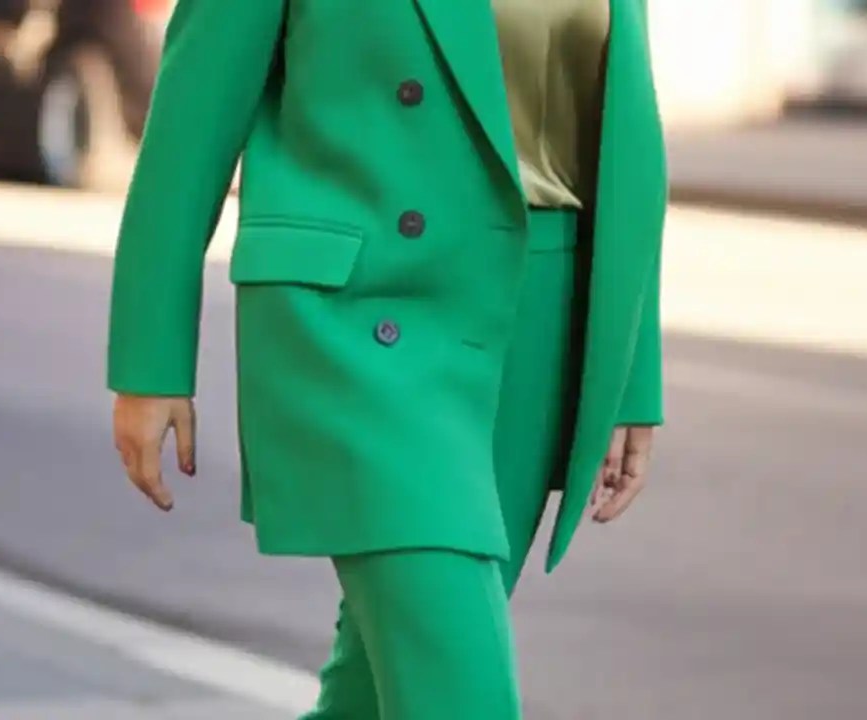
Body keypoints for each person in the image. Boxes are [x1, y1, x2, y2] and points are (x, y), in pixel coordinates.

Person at [107, 0, 667, 716]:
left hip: (534, 324)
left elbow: (624, 135)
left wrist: (627, 372)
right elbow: (192, 120)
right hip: (362, 316)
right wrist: (150, 358)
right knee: (459, 692)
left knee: (373, 694)